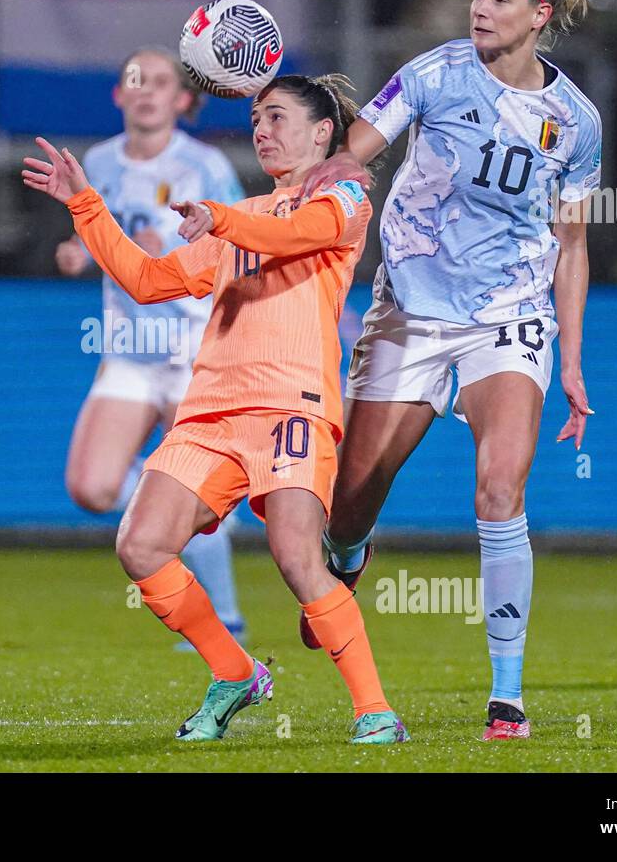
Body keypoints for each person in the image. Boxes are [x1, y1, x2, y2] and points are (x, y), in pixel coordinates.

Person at [23, 73, 409, 744]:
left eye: (279, 117)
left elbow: (301, 234)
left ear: (324, 132)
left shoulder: (343, 198)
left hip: (292, 402)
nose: (263, 130)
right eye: (257, 119)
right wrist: (85, 205)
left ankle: (375, 711)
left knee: (294, 554)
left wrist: (224, 217)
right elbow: (148, 281)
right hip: (211, 413)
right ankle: (234, 672)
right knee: (141, 546)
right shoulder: (240, 217)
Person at [299, 0, 600, 740]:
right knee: (350, 500)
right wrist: (328, 179)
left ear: (540, 16)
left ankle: (508, 694)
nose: (480, 10)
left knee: (500, 491)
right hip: (411, 314)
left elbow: (572, 243)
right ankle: (348, 551)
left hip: (511, 316)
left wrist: (569, 360)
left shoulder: (576, 123)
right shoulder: (433, 73)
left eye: (500, 0)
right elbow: (358, 146)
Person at [55, 47, 248, 647]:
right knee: (91, 488)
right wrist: (79, 251)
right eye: (133, 79)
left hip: (193, 346)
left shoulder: (207, 166)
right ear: (118, 95)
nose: (145, 90)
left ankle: (224, 620)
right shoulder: (98, 161)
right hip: (130, 349)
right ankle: (167, 504)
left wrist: (174, 250)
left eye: (160, 82)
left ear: (183, 101)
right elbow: (94, 232)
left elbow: (243, 242)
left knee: (201, 491)